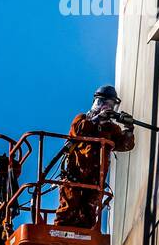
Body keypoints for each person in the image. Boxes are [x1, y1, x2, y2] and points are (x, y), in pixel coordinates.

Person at [54, 85, 136, 229]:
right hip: (75, 178)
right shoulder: (83, 119)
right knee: (68, 211)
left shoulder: (110, 129)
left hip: (95, 182)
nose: (106, 107)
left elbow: (125, 145)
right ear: (96, 102)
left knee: (88, 216)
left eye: (111, 105)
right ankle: (59, 235)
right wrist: (97, 119)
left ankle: (81, 241)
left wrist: (129, 129)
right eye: (102, 103)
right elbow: (77, 131)